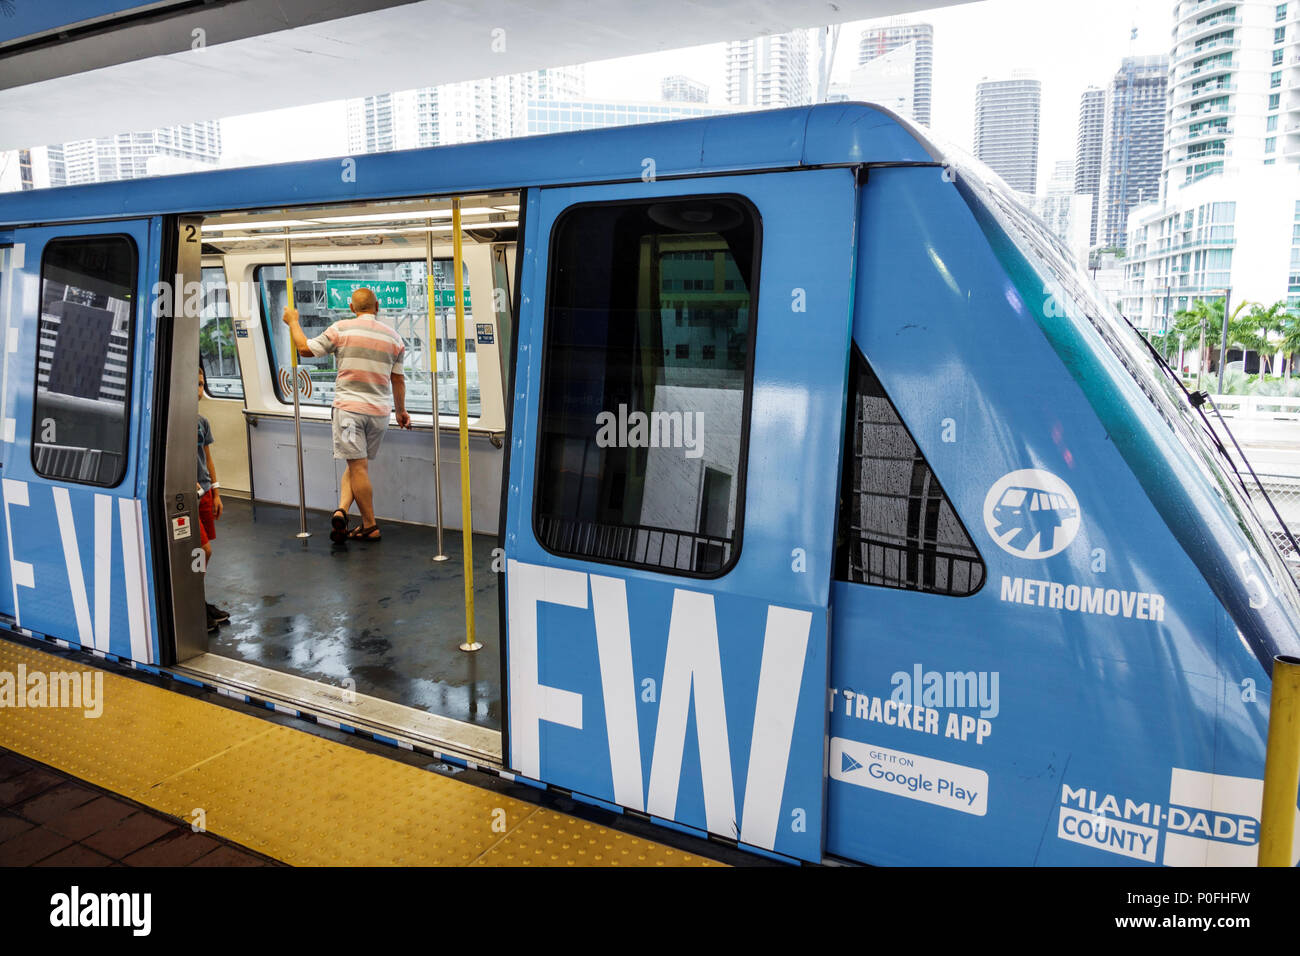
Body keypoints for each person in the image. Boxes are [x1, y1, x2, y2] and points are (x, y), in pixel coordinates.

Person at [282, 287, 410, 543]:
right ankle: (342, 509)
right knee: (356, 465)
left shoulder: (340, 329)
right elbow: (398, 380)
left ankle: (370, 525)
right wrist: (401, 411)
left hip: (350, 411)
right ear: (378, 306)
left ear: (352, 308)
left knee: (357, 466)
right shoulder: (395, 338)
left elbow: (305, 350)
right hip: (379, 413)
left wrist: (293, 322)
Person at [197, 365, 228, 633]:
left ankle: (197, 599)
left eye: (201, 384)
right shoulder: (171, 422)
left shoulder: (201, 422)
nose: (198, 389)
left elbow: (207, 458)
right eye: (193, 384)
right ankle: (193, 602)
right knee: (202, 550)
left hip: (204, 493)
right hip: (185, 496)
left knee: (201, 551)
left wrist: (216, 491)